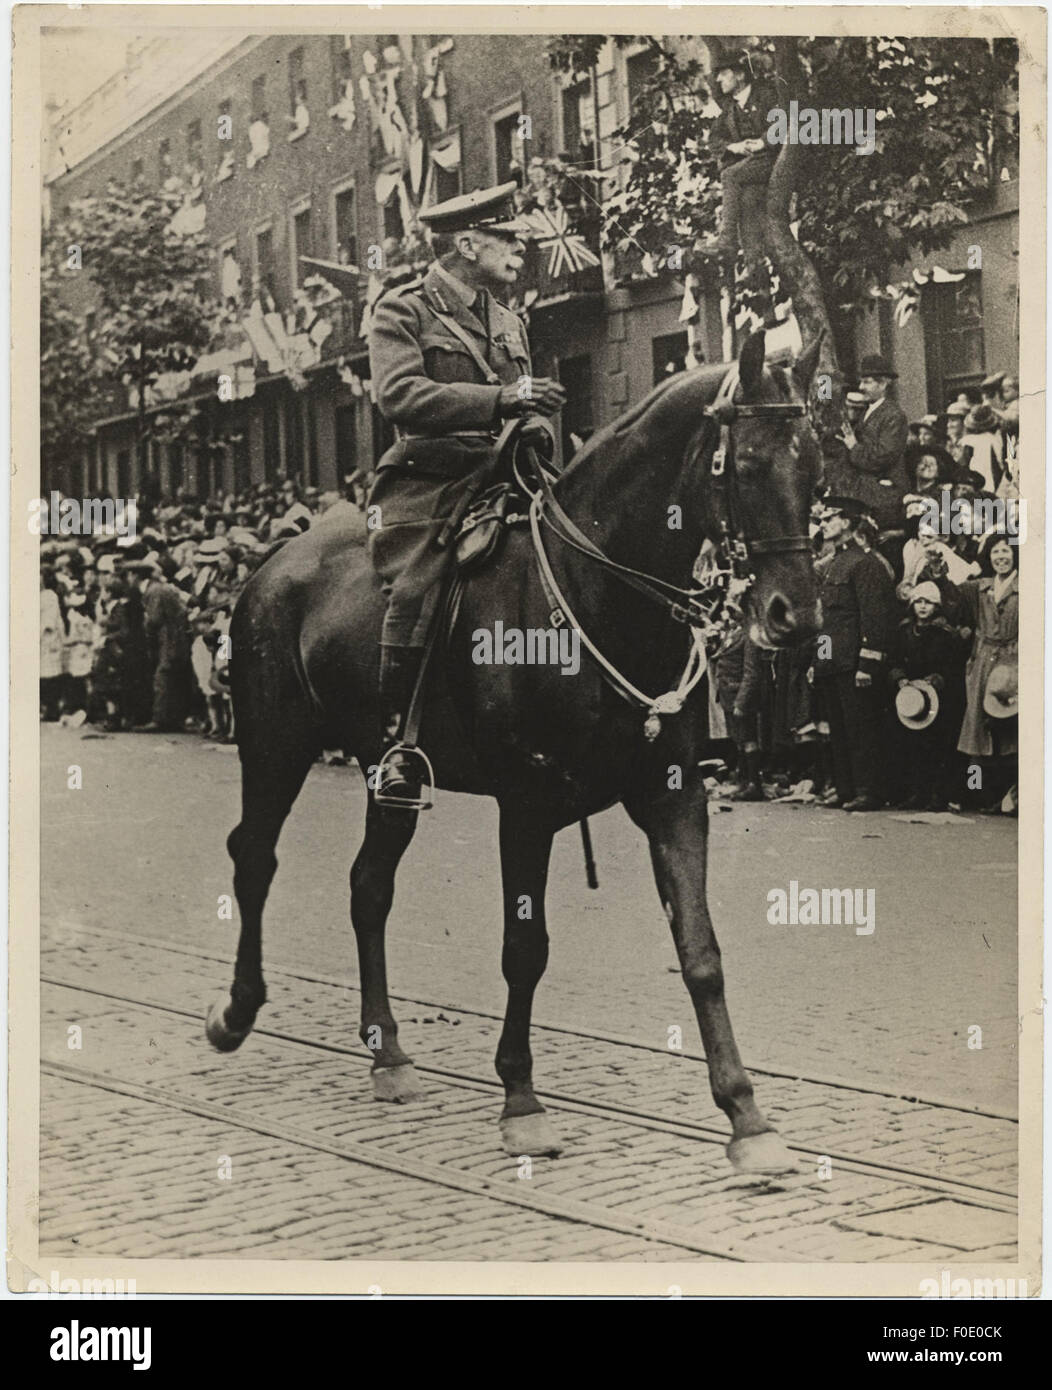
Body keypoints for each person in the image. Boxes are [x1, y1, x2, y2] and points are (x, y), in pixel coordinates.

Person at [366, 181, 566, 806]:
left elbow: (524, 406)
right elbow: (398, 396)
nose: (521, 250)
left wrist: (535, 430)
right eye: (510, 239)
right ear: (468, 241)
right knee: (419, 584)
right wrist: (503, 400)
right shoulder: (402, 310)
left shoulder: (509, 320)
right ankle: (398, 744)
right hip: (431, 479)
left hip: (506, 474)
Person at [811, 496, 898, 811]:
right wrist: (818, 661)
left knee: (861, 728)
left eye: (829, 519)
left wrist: (867, 663)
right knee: (838, 729)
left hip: (853, 663)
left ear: (846, 522)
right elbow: (827, 620)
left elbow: (873, 618)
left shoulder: (865, 563)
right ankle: (845, 787)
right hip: (832, 662)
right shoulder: (832, 562)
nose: (823, 524)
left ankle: (868, 790)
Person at [699, 51, 782, 285]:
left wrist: (763, 141)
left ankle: (726, 242)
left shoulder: (765, 95)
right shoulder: (731, 108)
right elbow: (714, 140)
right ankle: (760, 285)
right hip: (751, 169)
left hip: (772, 160)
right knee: (746, 206)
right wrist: (734, 147)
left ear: (740, 75)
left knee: (729, 175)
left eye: (723, 74)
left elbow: (784, 122)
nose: (719, 80)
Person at [887, 582, 967, 810]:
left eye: (928, 602)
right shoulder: (903, 630)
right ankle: (917, 792)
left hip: (938, 700)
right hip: (911, 698)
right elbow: (893, 659)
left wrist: (937, 679)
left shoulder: (945, 633)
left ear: (937, 606)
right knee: (912, 746)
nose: (923, 607)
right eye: (919, 602)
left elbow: (954, 666)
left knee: (937, 746)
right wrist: (899, 677)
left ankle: (938, 794)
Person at [956, 532, 1018, 780]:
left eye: (1006, 551)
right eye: (995, 552)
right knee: (977, 728)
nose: (1001, 557)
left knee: (1010, 726)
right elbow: (951, 592)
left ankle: (1011, 795)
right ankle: (978, 791)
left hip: (1013, 661)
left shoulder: (1027, 586)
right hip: (982, 661)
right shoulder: (980, 587)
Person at [833, 355, 910, 528]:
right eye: (862, 382)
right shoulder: (866, 413)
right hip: (863, 496)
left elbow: (883, 457)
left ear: (882, 384)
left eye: (867, 382)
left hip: (882, 499)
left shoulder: (893, 415)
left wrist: (854, 446)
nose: (861, 387)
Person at [125, 555, 193, 733]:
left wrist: (145, 632)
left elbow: (154, 619)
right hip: (173, 636)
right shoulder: (159, 589)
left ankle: (161, 719)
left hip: (170, 638)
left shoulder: (154, 591)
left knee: (163, 676)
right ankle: (173, 718)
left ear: (135, 576)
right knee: (171, 677)